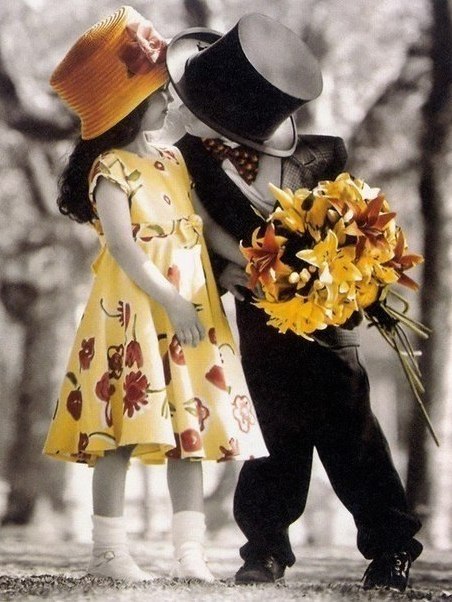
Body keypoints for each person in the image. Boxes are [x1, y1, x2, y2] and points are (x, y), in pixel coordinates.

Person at [166, 13, 423, 592]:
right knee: (270, 428)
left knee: (350, 425)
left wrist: (353, 275)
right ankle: (264, 549)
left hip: (330, 309)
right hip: (260, 316)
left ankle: (391, 546)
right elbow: (176, 230)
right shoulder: (183, 161)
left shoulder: (322, 157)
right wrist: (225, 271)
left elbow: (354, 223)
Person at [43, 6, 267, 583]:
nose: (169, 100)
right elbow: (123, 247)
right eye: (157, 93)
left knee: (189, 431)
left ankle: (190, 553)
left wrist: (249, 262)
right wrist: (170, 299)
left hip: (190, 307)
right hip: (137, 312)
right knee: (120, 429)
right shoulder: (110, 168)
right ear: (128, 107)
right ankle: (108, 552)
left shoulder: (171, 160)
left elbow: (203, 226)